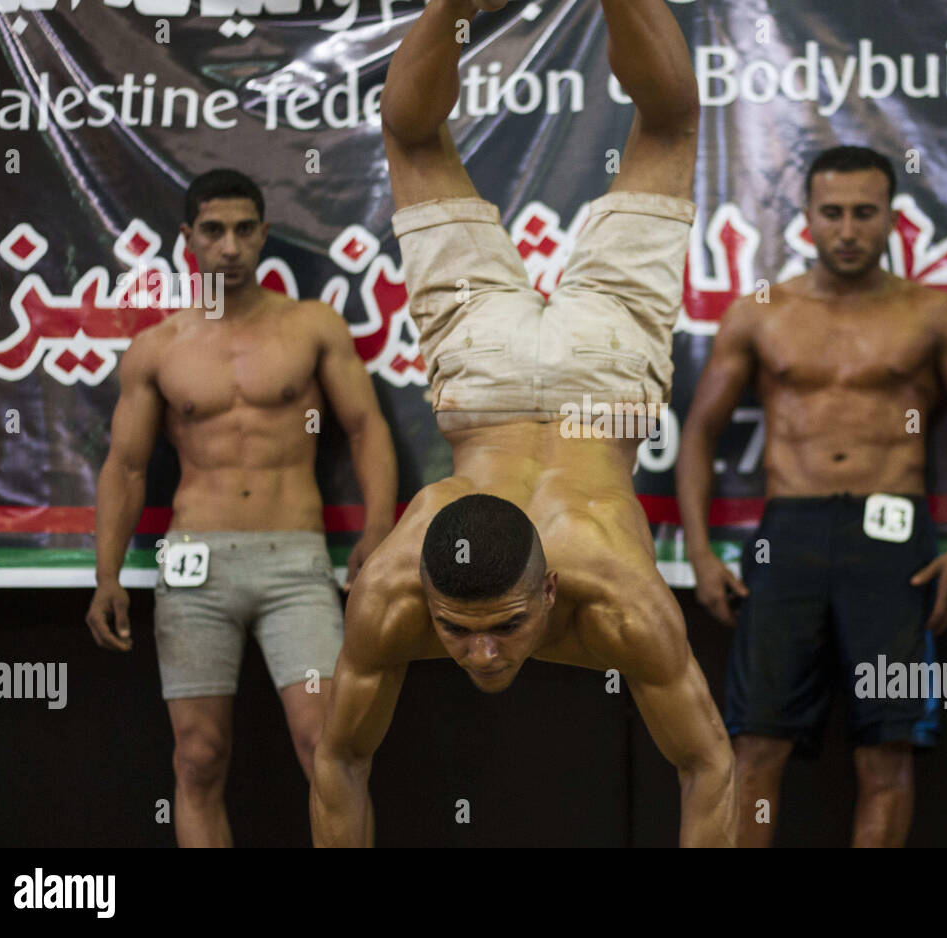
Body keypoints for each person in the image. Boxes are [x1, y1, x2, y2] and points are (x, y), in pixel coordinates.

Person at [309, 0, 737, 847]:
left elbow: (340, 763)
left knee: (423, 146)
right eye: (459, 630)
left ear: (551, 590)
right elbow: (707, 768)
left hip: (498, 371)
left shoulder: (616, 597)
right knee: (669, 122)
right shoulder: (399, 593)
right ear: (425, 598)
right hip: (586, 369)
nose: (485, 656)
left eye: (506, 626)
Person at [677, 146, 947, 847]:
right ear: (805, 218)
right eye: (831, 212)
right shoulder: (759, 314)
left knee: (887, 753)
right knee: (754, 748)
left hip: (893, 544)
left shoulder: (933, 315)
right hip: (789, 536)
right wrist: (699, 552)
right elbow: (697, 436)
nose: (847, 229)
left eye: (865, 213)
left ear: (892, 218)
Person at [85, 169, 398, 846]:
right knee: (198, 756)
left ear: (263, 233)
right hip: (197, 568)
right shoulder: (158, 347)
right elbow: (127, 467)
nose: (230, 246)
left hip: (296, 564)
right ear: (188, 239)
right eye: (213, 230)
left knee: (328, 748)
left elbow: (367, 428)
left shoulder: (311, 326)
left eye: (244, 229)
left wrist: (379, 530)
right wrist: (106, 576)